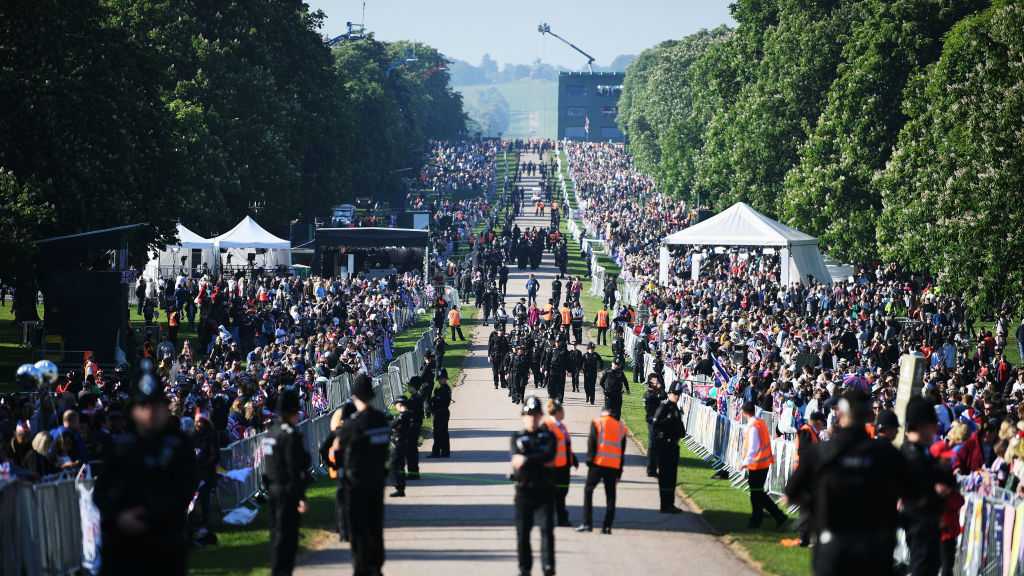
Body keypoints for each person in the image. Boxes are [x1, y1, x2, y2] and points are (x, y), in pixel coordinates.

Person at [784, 389, 907, 576]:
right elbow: (910, 493)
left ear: (840, 413)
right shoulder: (888, 454)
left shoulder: (821, 452)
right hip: (874, 548)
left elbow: (791, 493)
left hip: (834, 546)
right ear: (869, 416)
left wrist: (816, 504)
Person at [94, 375, 197, 576]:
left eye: (156, 405)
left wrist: (151, 516)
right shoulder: (119, 446)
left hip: (165, 544)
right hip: (123, 547)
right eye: (144, 405)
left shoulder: (179, 445)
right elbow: (102, 492)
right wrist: (119, 517)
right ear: (133, 409)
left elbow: (185, 488)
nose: (150, 412)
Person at [336, 374, 390, 576]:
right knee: (375, 525)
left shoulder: (354, 424)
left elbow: (339, 446)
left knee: (358, 528)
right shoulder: (381, 420)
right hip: (376, 479)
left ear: (355, 396)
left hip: (356, 484)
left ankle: (362, 567)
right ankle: (376, 566)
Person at [901, 396, 955, 576]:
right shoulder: (913, 456)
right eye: (932, 423)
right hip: (920, 522)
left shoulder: (922, 453)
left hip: (926, 523)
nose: (935, 428)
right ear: (923, 424)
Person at [261, 388, 312, 576]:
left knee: (276, 535)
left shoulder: (270, 433)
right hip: (288, 491)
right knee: (288, 539)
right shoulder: (290, 435)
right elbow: (294, 468)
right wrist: (301, 497)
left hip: (273, 489)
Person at [510, 396, 557, 576]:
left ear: (541, 416)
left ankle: (548, 567)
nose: (533, 418)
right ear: (523, 416)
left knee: (546, 531)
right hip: (524, 492)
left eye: (536, 415)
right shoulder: (517, 437)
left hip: (545, 491)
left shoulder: (548, 436)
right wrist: (538, 458)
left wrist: (528, 458)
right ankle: (525, 569)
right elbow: (516, 461)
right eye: (529, 415)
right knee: (523, 534)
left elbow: (550, 457)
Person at [577, 404, 627, 534]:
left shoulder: (597, 422)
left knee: (588, 491)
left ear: (603, 413)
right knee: (610, 496)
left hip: (598, 464)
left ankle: (587, 523)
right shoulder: (621, 428)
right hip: (613, 466)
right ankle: (607, 526)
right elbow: (622, 452)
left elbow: (591, 442)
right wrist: (620, 471)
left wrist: (589, 461)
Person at [739, 401, 787, 529]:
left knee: (756, 493)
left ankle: (760, 518)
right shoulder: (761, 423)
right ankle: (769, 516)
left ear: (744, 413)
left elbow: (753, 447)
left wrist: (745, 463)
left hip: (757, 463)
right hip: (763, 462)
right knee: (758, 492)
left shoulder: (753, 426)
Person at [320, 401, 357, 541]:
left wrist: (331, 464)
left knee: (342, 501)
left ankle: (343, 531)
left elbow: (323, 449)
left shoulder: (337, 432)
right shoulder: (359, 429)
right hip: (356, 470)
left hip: (341, 469)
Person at [543, 400, 578, 526]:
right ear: (557, 412)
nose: (564, 413)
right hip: (553, 467)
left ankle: (561, 517)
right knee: (554, 494)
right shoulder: (547, 426)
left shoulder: (561, 426)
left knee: (562, 493)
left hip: (564, 466)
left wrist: (573, 458)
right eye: (562, 410)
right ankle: (557, 518)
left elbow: (565, 444)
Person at [793, 411, 825, 547]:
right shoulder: (806, 431)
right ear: (817, 421)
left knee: (810, 507)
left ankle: (807, 536)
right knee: (807, 508)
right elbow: (804, 452)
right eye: (822, 423)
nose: (823, 426)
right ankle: (804, 537)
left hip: (809, 474)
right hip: (805, 474)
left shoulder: (811, 431)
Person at [652, 382, 685, 513]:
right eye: (675, 394)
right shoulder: (664, 406)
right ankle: (664, 504)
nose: (677, 396)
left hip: (673, 446)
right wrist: (668, 421)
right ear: (670, 393)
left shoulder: (675, 408)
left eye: (679, 394)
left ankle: (670, 503)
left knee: (672, 477)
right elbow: (655, 424)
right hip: (664, 445)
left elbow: (680, 429)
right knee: (665, 476)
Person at [388, 398, 414, 497]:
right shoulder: (407, 415)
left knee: (394, 465)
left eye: (396, 404)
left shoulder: (403, 416)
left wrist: (390, 421)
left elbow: (392, 425)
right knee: (400, 465)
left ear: (400, 404)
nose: (395, 406)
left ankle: (399, 487)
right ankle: (400, 488)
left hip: (398, 444)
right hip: (402, 443)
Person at [643, 374, 667, 477]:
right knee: (653, 445)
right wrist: (660, 390)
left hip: (658, 421)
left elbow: (664, 395)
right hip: (653, 421)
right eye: (655, 382)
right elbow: (662, 397)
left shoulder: (655, 393)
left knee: (657, 445)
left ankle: (654, 467)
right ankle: (651, 469)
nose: (658, 383)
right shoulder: (649, 395)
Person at [430, 369, 453, 458]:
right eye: (440, 378)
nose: (441, 380)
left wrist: (434, 400)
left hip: (442, 412)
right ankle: (444, 451)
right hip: (438, 412)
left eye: (443, 378)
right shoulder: (439, 388)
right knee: (441, 433)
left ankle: (437, 452)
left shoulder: (445, 389)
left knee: (439, 433)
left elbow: (442, 401)